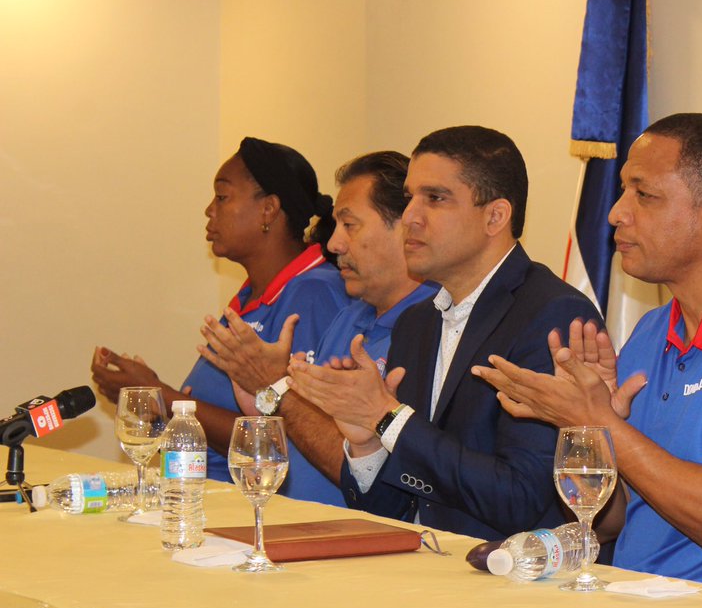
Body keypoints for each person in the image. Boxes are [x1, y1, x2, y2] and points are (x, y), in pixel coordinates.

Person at [474, 113, 702, 594]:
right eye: (624, 191)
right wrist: (590, 437)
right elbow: (608, 524)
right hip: (634, 606)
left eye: (643, 195)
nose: (616, 213)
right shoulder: (652, 331)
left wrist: (604, 424)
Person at [286, 126, 600, 539]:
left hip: (511, 582)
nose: (411, 217)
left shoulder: (551, 315)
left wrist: (390, 418)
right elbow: (393, 508)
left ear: (495, 216)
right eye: (409, 198)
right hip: (425, 576)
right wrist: (367, 444)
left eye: (435, 198)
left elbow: (521, 499)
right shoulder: (417, 324)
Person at [92, 137, 350, 487]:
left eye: (223, 196)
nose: (209, 210)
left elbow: (292, 435)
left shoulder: (314, 293)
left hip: (264, 511)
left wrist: (163, 397)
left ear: (269, 209)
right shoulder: (248, 298)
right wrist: (150, 394)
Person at [195, 151, 437, 505]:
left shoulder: (432, 325)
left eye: (350, 225)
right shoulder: (351, 316)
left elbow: (376, 473)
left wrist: (276, 390)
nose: (334, 243)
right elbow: (307, 430)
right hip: (295, 524)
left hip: (356, 541)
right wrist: (262, 401)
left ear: (404, 227)